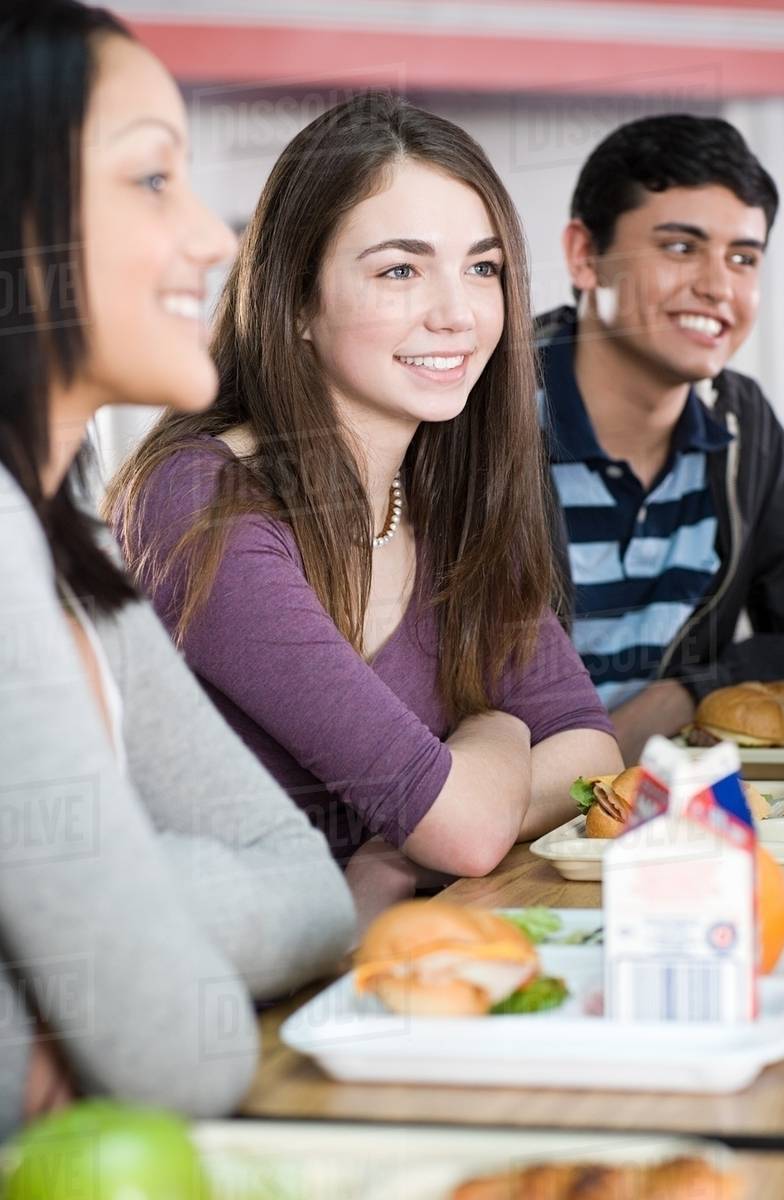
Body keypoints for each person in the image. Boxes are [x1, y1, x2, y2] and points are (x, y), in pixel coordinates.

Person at [105, 93, 622, 914]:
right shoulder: (199, 498)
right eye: (400, 270)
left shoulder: (447, 495)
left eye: (483, 267)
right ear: (299, 301)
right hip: (225, 1001)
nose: (458, 313)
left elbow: (592, 751)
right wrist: (494, 730)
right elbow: (462, 832)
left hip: (374, 974)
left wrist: (402, 843)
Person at [0, 1, 355, 1137]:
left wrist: (91, 946)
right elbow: (181, 1056)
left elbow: (309, 891)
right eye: (151, 180)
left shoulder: (64, 540)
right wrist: (79, 987)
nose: (212, 238)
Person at [537, 113, 784, 764]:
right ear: (584, 255)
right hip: (478, 838)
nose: (718, 286)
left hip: (658, 819)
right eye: (681, 247)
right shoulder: (477, 421)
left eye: (743, 258)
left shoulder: (745, 431)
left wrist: (688, 692)